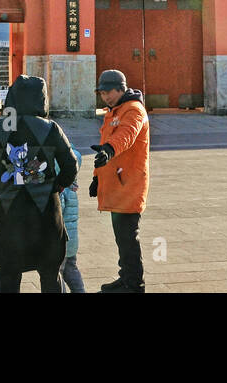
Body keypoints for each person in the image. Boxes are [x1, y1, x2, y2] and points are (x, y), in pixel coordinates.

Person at [0, 75, 78, 293]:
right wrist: (57, 186)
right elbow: (70, 165)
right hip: (47, 209)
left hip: (10, 209)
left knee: (9, 272)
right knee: (50, 272)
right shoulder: (51, 128)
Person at [91, 68, 149, 293]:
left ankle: (134, 285)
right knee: (122, 237)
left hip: (129, 184)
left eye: (109, 92)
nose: (105, 97)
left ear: (120, 89)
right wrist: (96, 178)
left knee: (128, 238)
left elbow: (126, 135)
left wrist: (108, 149)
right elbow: (105, 144)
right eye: (102, 93)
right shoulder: (113, 111)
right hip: (116, 183)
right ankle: (126, 277)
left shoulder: (133, 110)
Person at [59, 145, 85, 293]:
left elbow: (57, 214)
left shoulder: (61, 192)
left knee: (56, 273)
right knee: (71, 268)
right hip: (72, 240)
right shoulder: (71, 187)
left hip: (61, 240)